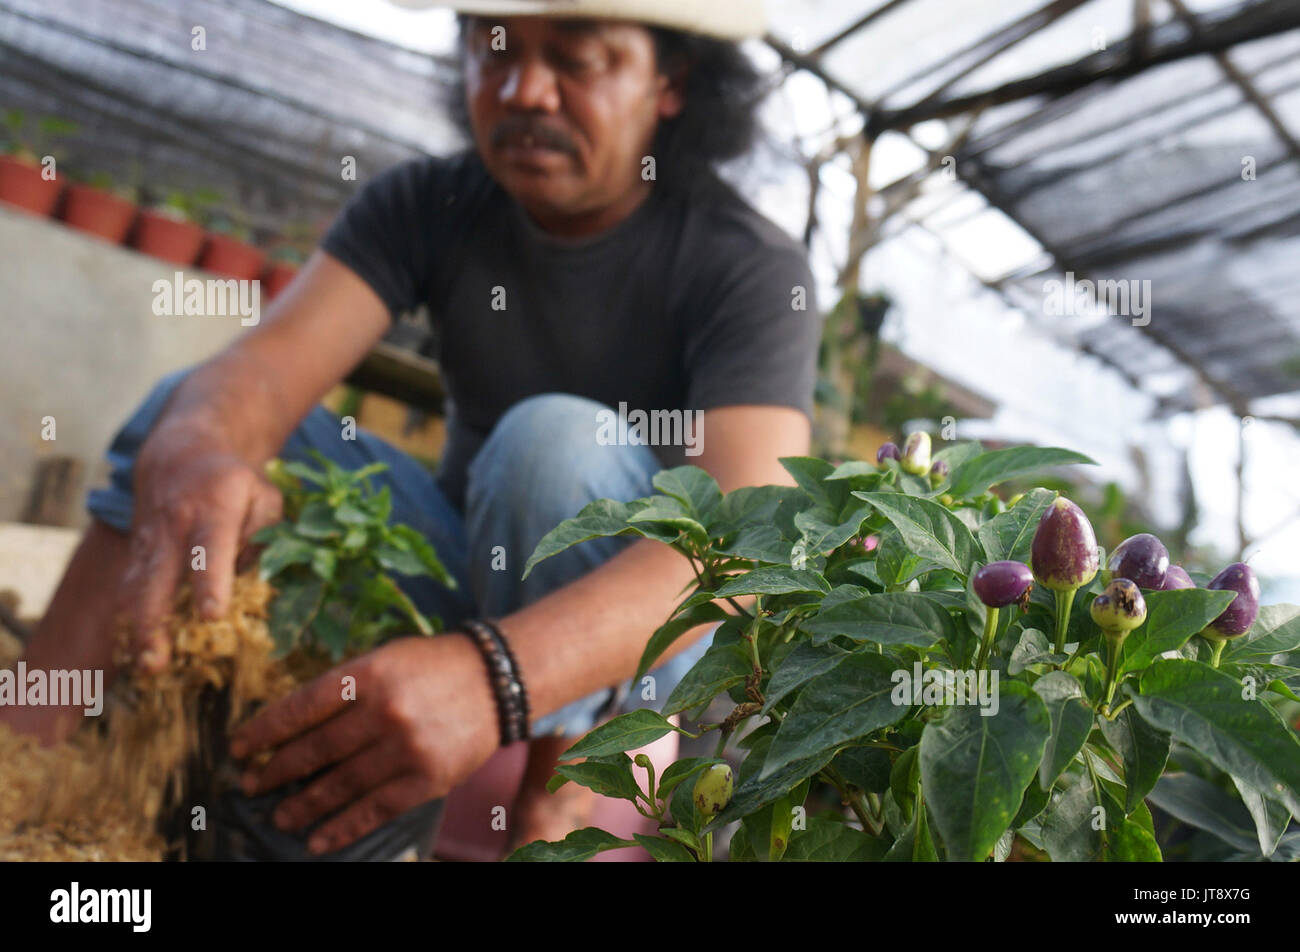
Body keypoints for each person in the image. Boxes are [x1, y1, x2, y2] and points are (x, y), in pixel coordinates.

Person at [3, 0, 820, 859]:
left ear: (672, 83)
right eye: (492, 49)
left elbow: (746, 542)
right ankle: (29, 756)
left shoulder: (747, 265)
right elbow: (262, 374)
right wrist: (206, 443)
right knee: (190, 411)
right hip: (460, 555)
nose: (525, 90)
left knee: (550, 447)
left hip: (636, 646)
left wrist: (493, 679)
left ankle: (562, 785)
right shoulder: (432, 202)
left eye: (577, 62)